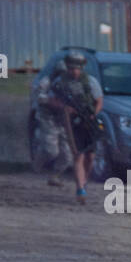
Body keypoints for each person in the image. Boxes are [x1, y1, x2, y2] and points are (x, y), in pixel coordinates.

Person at [37, 51, 104, 199]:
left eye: (77, 68)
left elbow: (99, 100)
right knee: (75, 154)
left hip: (88, 121)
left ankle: (80, 181)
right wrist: (64, 108)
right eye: (71, 68)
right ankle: (80, 188)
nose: (74, 71)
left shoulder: (90, 82)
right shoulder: (58, 83)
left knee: (90, 156)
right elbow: (48, 99)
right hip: (70, 122)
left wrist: (93, 113)